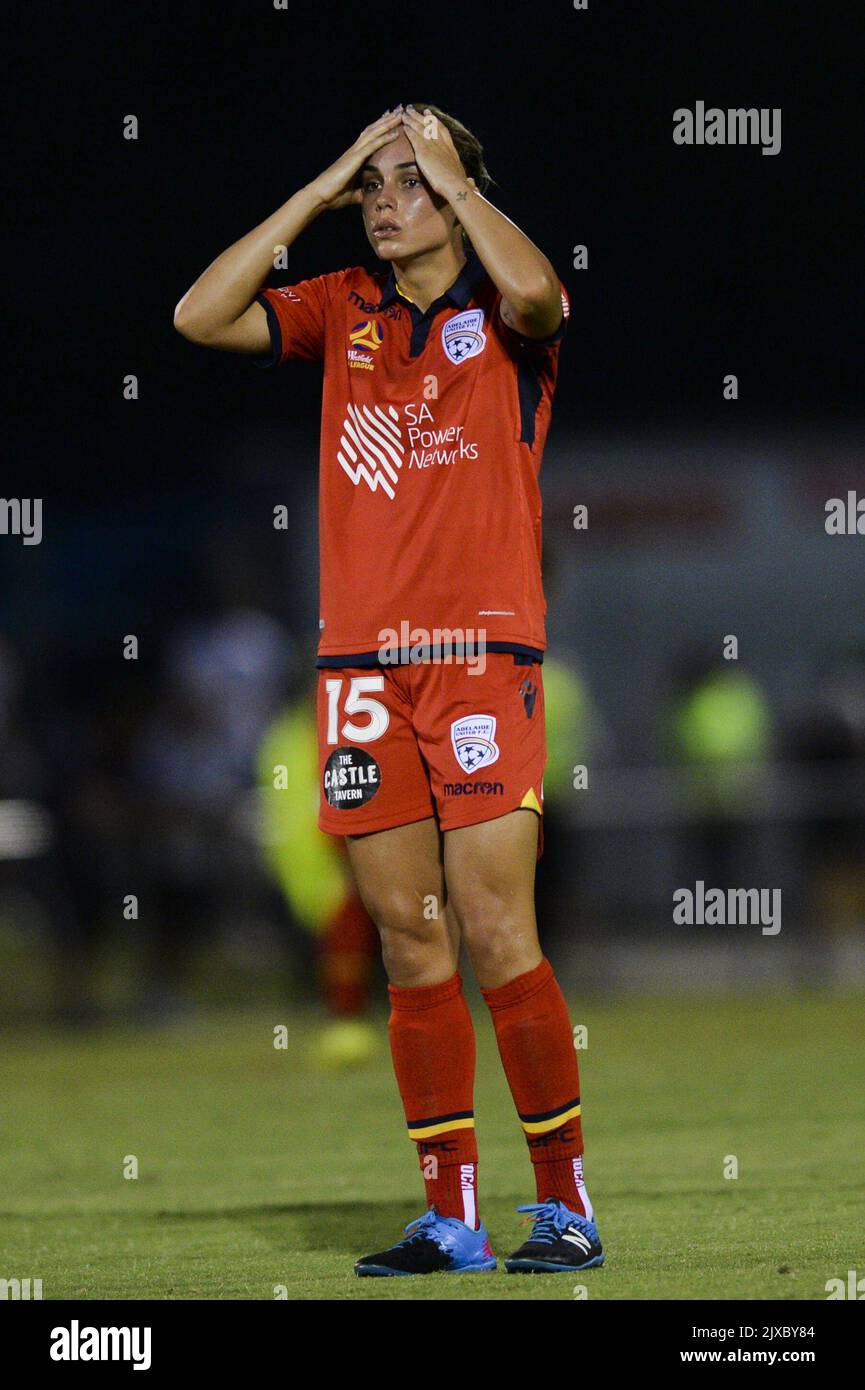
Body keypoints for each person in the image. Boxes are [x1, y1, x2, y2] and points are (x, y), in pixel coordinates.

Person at [175, 103, 603, 1276]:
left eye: (398, 183)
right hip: (362, 667)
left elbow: (538, 297)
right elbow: (198, 314)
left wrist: (456, 183)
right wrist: (317, 186)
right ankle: (451, 1217)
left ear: (459, 185)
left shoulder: (507, 308)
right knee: (412, 948)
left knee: (496, 927)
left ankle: (564, 1205)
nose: (380, 202)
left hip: (480, 654)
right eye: (372, 188)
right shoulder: (340, 311)